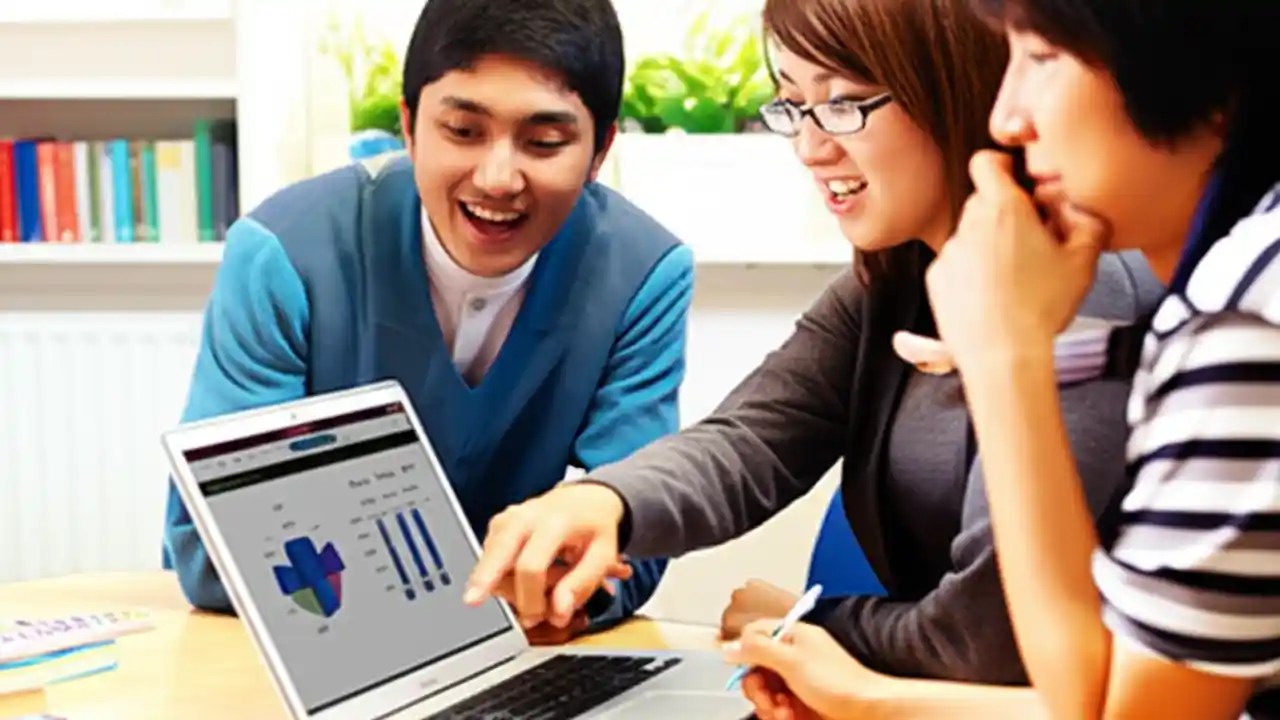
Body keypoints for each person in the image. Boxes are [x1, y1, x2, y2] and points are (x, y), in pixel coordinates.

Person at [464, 0, 1162, 687]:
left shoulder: (1084, 293)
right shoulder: (894, 278)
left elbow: (990, 646)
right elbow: (753, 440)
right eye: (793, 105)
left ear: (961, 86)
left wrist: (810, 624)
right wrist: (607, 504)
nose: (811, 146)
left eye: (845, 103)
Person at [727, 1, 1280, 719]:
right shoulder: (1234, 285)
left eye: (1043, 60)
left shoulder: (1246, 319)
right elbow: (1124, 697)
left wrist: (1006, 363)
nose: (1007, 118)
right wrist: (870, 697)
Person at [161, 0, 694, 644]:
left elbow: (634, 537)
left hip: (518, 660)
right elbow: (214, 548)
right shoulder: (284, 254)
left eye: (545, 142)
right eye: (464, 132)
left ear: (600, 149)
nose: (498, 179)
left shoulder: (643, 275)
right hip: (309, 655)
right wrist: (509, 584)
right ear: (410, 128)